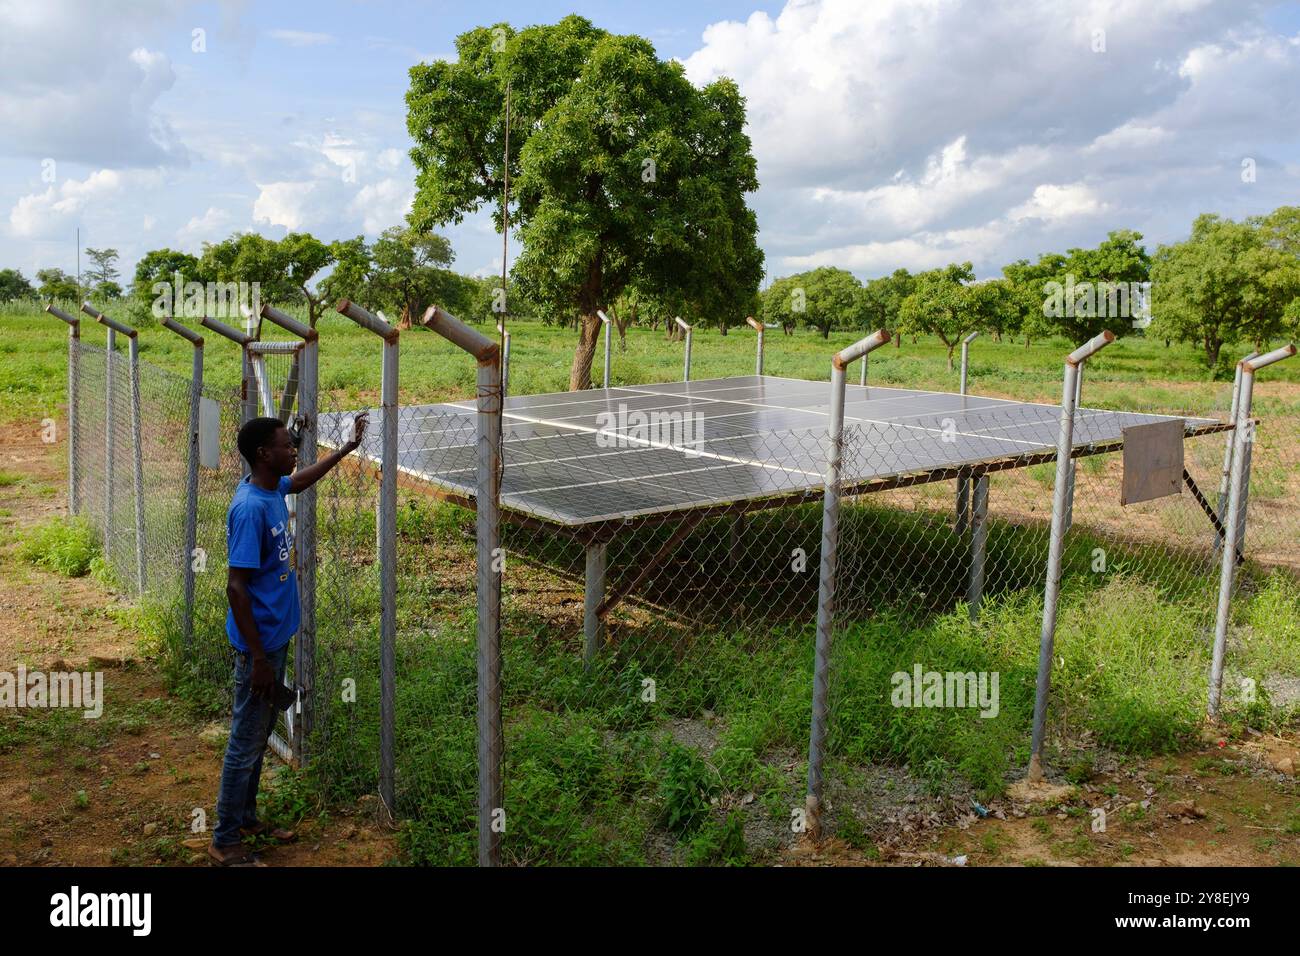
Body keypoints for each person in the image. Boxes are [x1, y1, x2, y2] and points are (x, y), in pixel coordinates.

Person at [209, 412, 368, 866]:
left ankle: (245, 817)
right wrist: (258, 659)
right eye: (286, 445)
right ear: (263, 454)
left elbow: (297, 482)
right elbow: (236, 587)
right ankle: (224, 839)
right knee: (245, 740)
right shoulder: (250, 509)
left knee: (258, 737)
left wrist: (345, 450)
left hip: (272, 640)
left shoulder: (272, 489)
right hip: (257, 646)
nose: (292, 450)